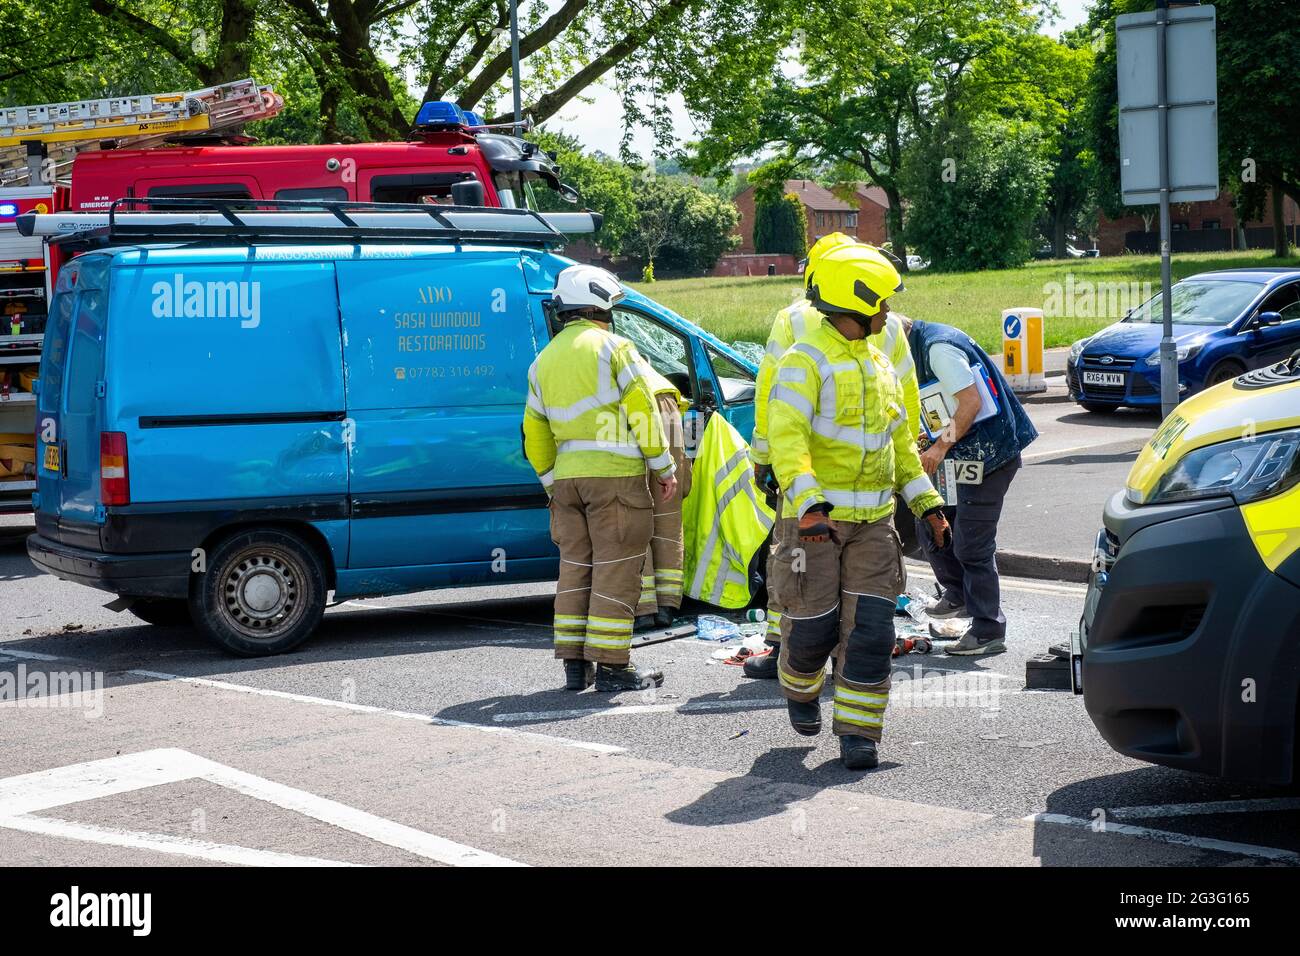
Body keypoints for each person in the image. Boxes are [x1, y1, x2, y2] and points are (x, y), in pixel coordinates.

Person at [767, 246, 950, 770]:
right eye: (883, 302)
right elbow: (787, 439)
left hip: (873, 525)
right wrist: (807, 506)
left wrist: (928, 506)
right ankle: (799, 687)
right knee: (812, 628)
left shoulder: (879, 364)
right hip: (814, 527)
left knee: (871, 631)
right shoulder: (804, 360)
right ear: (856, 299)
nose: (889, 312)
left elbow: (900, 451)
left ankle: (858, 733)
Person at [744, 234, 922, 680]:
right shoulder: (891, 326)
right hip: (870, 487)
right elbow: (905, 399)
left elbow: (772, 398)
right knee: (851, 597)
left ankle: (784, 648)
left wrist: (764, 460)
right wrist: (909, 464)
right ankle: (836, 662)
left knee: (798, 569)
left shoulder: (790, 321)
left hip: (807, 483)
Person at [523, 264, 678, 692]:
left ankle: (576, 666)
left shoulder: (542, 361)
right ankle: (613, 668)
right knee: (617, 570)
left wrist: (553, 481)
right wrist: (663, 467)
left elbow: (534, 433)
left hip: (568, 483)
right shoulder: (615, 349)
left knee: (575, 568)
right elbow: (643, 414)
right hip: (616, 481)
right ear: (597, 306)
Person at [906, 318, 1038, 657]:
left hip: (990, 459)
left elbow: (970, 403)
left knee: (972, 544)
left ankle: (988, 629)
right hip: (963, 457)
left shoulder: (937, 349)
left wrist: (939, 447)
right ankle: (957, 595)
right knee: (932, 520)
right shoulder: (918, 346)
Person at [634, 367, 692, 629]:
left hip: (635, 405)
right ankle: (667, 606)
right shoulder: (660, 377)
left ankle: (643, 608)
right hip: (669, 403)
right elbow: (691, 442)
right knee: (668, 515)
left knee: (634, 513)